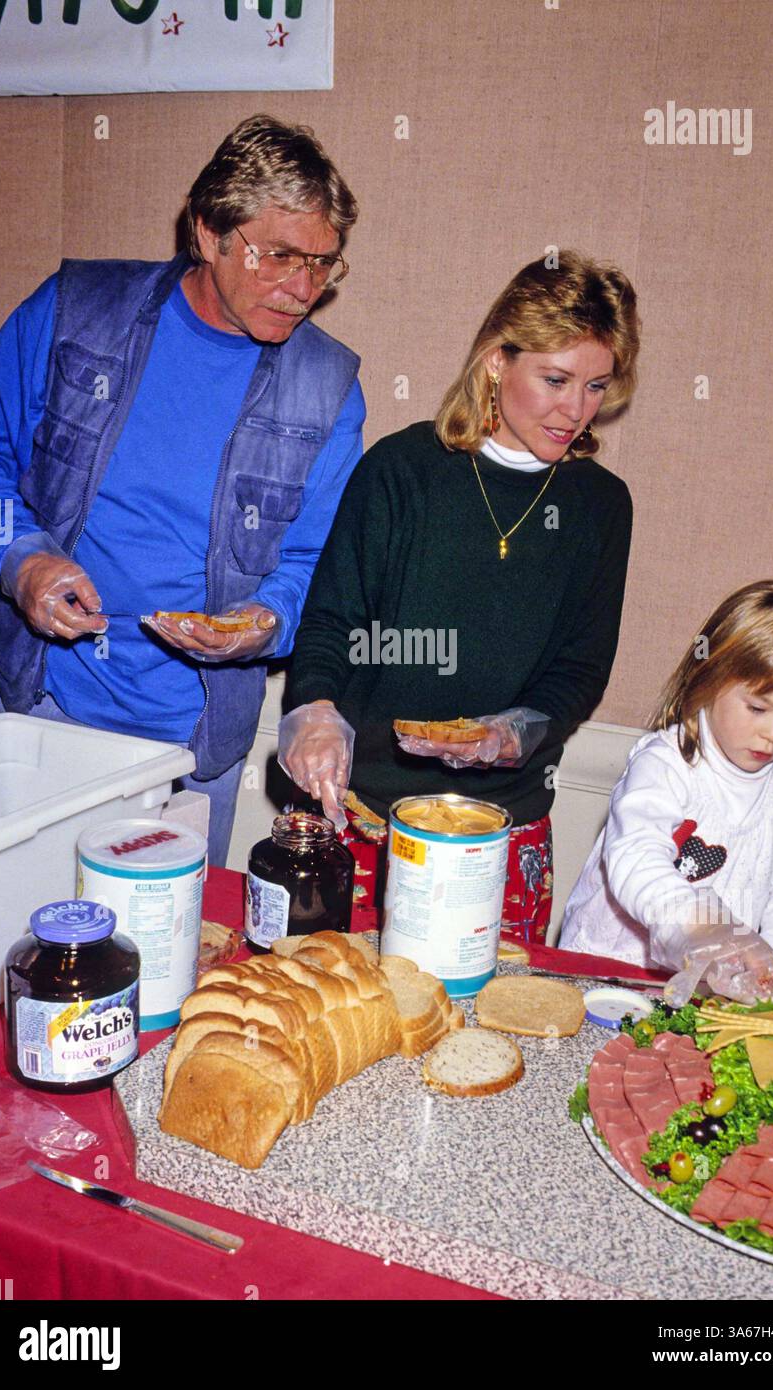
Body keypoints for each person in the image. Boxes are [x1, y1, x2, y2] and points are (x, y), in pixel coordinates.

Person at [0, 114, 366, 864]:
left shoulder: (329, 391)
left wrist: (265, 621)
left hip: (188, 747)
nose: (302, 288)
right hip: (33, 704)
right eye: (279, 255)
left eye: (323, 265)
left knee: (165, 961)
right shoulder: (73, 308)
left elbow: (318, 561)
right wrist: (20, 559)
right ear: (207, 230)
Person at [276, 250, 641, 942]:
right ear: (498, 361)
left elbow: (580, 670)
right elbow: (333, 620)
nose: (576, 410)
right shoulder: (402, 470)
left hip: (502, 832)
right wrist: (315, 710)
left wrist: (517, 732)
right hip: (364, 821)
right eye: (556, 379)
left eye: (597, 386)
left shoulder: (601, 506)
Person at [559, 580, 773, 1001]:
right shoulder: (666, 764)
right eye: (758, 708)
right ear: (710, 677)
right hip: (610, 971)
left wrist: (768, 968)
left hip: (709, 989)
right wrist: (699, 923)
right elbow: (636, 855)